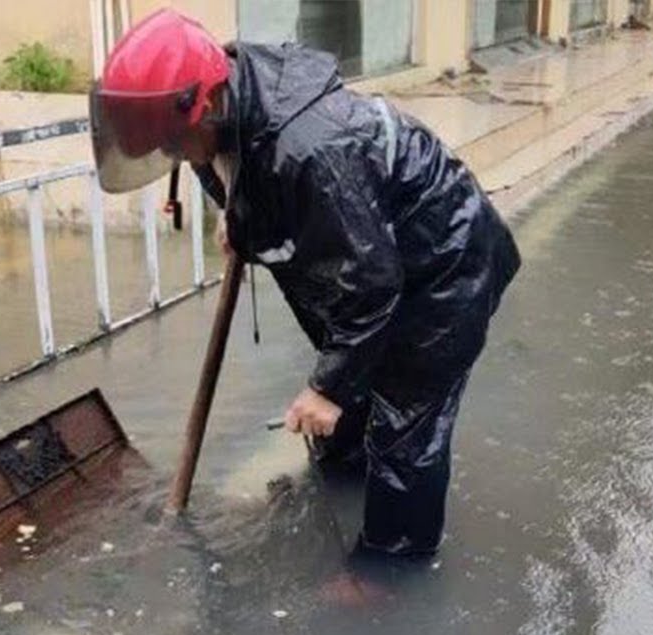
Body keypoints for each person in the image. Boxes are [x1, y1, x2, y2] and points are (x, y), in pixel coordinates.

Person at [91, 10, 519, 558]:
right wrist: (236, 213)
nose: (173, 156)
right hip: (376, 251)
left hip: (443, 262)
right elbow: (228, 165)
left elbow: (370, 284)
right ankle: (342, 480)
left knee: (405, 420)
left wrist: (327, 388)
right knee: (348, 390)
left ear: (207, 105)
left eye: (174, 144)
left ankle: (391, 569)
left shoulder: (312, 147)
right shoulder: (230, 105)